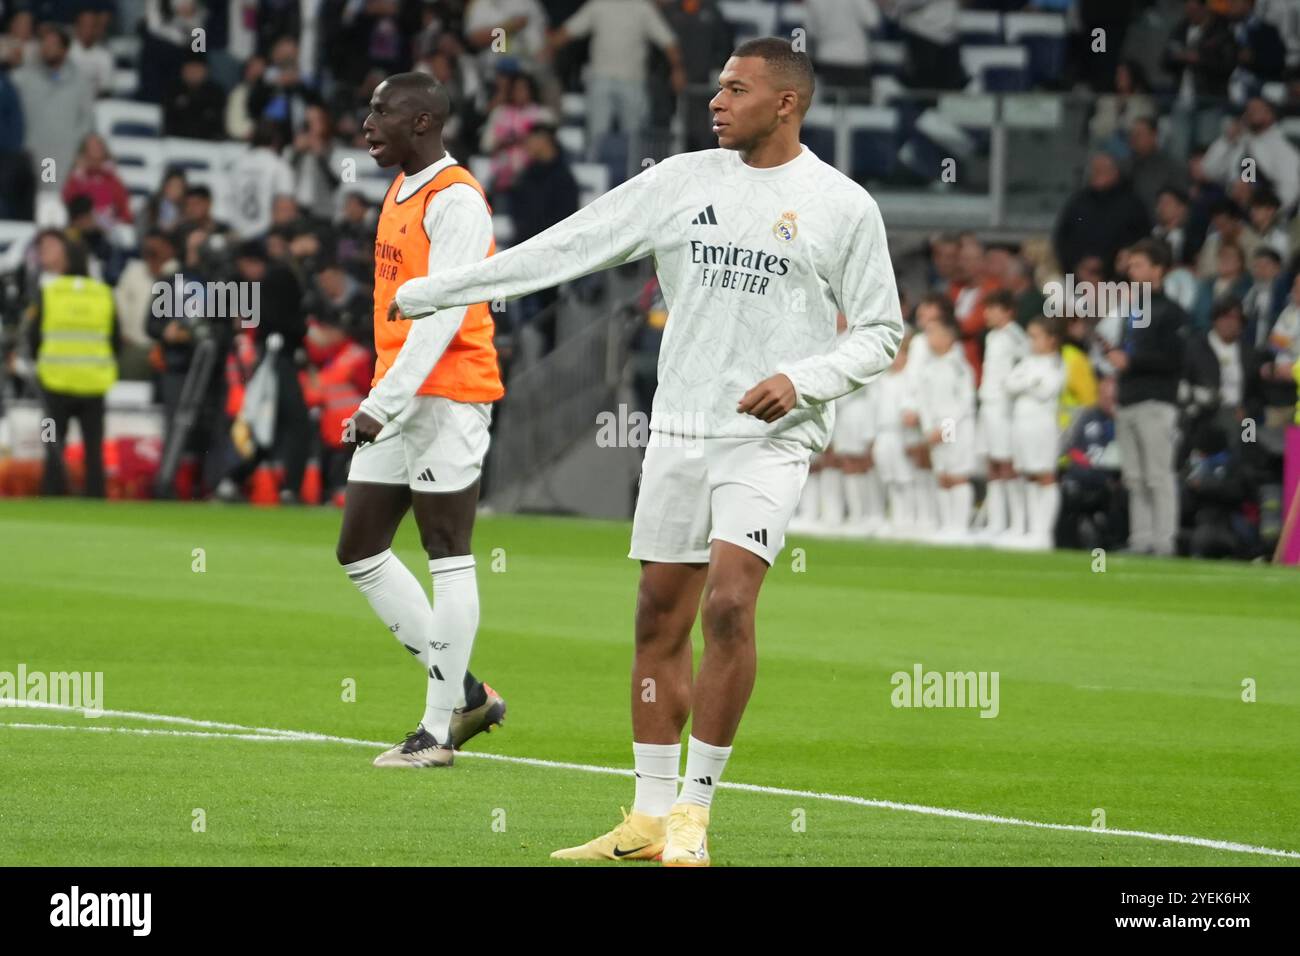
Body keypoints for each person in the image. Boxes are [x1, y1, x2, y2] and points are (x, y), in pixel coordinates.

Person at [389, 38, 903, 864]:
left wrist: (803, 380)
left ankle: (696, 815)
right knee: (657, 616)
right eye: (716, 85)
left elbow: (882, 330)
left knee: (729, 605)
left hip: (769, 435)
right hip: (679, 429)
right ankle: (648, 817)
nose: (716, 100)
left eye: (737, 88)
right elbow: (567, 246)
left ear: (787, 103)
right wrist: (441, 289)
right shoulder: (680, 181)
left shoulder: (842, 205)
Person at [337, 72, 508, 770]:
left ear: (426, 120)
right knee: (360, 549)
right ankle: (464, 690)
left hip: (447, 394)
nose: (368, 122)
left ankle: (437, 731)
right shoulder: (401, 189)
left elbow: (444, 315)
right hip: (402, 393)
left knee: (447, 547)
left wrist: (383, 402)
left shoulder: (457, 199)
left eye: (384, 111)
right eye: (370, 107)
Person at [1109, 238, 1188, 556]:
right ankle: (1140, 539)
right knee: (1134, 477)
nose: (1131, 270)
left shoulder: (1173, 313)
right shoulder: (1134, 309)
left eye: (1139, 264)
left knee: (1158, 474)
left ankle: (1164, 540)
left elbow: (1175, 361)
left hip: (1156, 400)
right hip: (1128, 399)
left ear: (1159, 270)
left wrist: (1131, 362)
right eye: (1130, 265)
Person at [26, 231, 118, 497]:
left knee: (52, 442)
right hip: (94, 382)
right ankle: (95, 496)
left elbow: (33, 336)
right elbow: (114, 338)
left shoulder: (51, 292)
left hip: (55, 382)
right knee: (94, 449)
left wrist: (41, 360)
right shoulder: (103, 293)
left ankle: (52, 493)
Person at [1004, 316, 1066, 550]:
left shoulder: (1056, 363)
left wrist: (1025, 383)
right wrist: (1030, 382)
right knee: (1026, 474)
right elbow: (1009, 385)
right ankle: (1030, 529)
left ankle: (1044, 532)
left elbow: (1046, 390)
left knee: (1044, 474)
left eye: (1035, 337)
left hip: (1043, 425)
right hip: (1021, 424)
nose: (1031, 341)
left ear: (1051, 340)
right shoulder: (1028, 362)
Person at [915, 309, 976, 542]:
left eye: (934, 334)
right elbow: (925, 400)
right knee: (942, 474)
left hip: (956, 429)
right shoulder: (929, 367)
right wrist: (929, 428)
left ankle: (960, 527)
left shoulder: (959, 366)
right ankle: (947, 525)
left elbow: (964, 401)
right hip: (936, 430)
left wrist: (945, 429)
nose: (929, 339)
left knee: (957, 474)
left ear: (948, 338)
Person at [977, 290, 1029, 540]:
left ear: (1007, 311)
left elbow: (1028, 363)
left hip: (1005, 408)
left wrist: (1013, 385)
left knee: (1008, 464)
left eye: (992, 308)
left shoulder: (1015, 336)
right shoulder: (992, 336)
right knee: (993, 464)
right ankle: (996, 523)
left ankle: (1017, 524)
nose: (987, 314)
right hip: (988, 404)